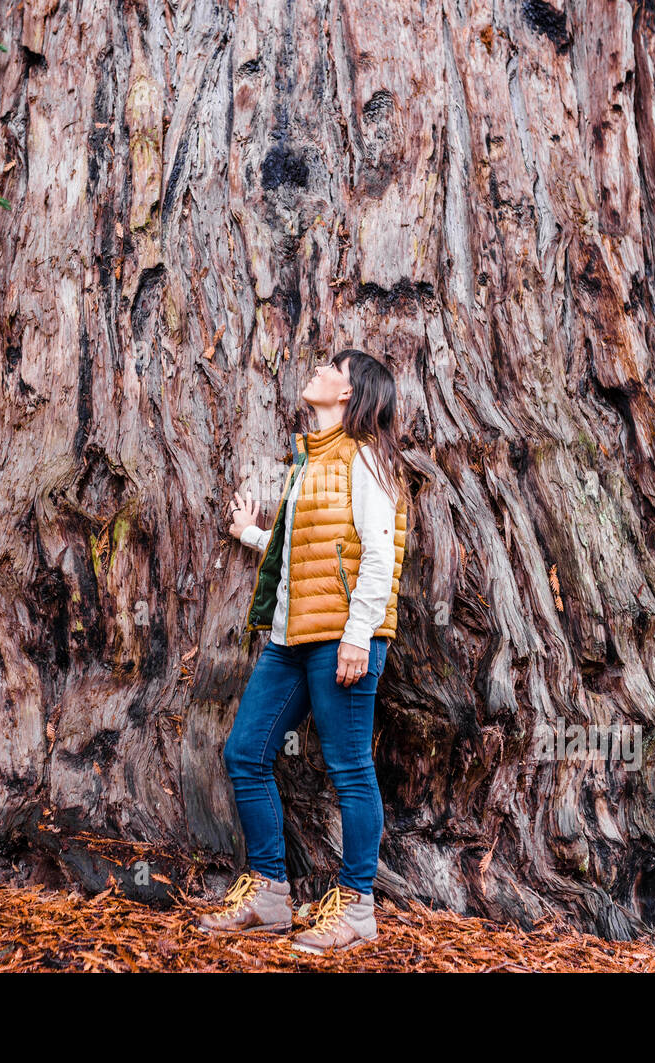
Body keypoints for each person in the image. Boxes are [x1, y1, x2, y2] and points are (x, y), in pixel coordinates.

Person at [196, 348, 410, 954]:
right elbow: (303, 554)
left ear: (350, 392)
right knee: (245, 752)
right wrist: (251, 536)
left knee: (349, 770)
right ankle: (268, 894)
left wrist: (358, 636)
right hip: (291, 640)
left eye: (331, 367)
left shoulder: (367, 459)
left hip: (342, 640)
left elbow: (378, 554)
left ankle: (359, 909)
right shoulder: (312, 461)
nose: (318, 369)